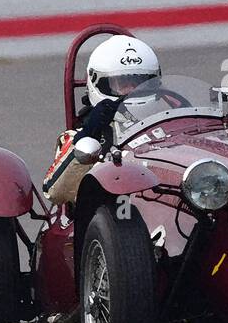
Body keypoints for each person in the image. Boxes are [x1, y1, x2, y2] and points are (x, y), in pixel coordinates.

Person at [43, 35, 161, 205]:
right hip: (107, 217)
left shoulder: (170, 123)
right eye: (122, 83)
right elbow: (56, 192)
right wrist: (89, 135)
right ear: (99, 83)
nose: (132, 90)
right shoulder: (79, 136)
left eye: (139, 82)